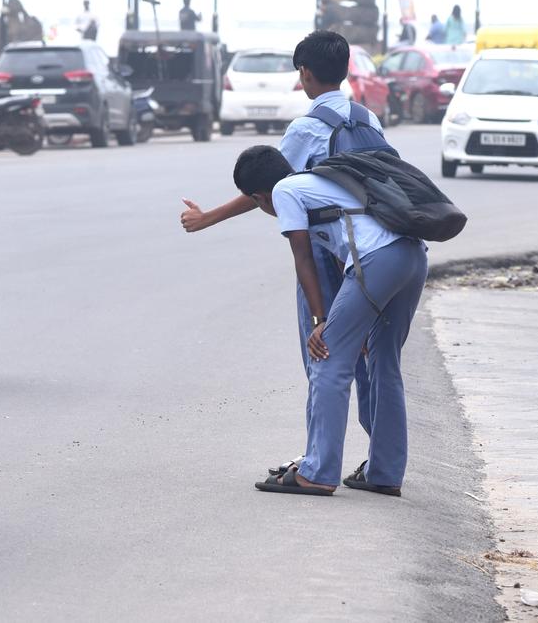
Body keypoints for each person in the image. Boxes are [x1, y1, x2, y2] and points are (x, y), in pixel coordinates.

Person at [180, 31, 381, 476]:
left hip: (323, 249)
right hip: (369, 251)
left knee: (321, 353)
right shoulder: (368, 120)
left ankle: (316, 461)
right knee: (371, 360)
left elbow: (271, 187)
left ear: (304, 74)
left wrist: (207, 217)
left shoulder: (306, 128)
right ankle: (379, 461)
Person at [235, 145, 428, 496]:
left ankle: (318, 472)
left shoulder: (284, 191)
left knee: (327, 356)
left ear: (259, 197)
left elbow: (303, 258)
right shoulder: (320, 181)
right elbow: (343, 253)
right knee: (383, 362)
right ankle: (384, 473)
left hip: (376, 261)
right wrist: (354, 318)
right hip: (412, 256)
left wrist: (319, 320)